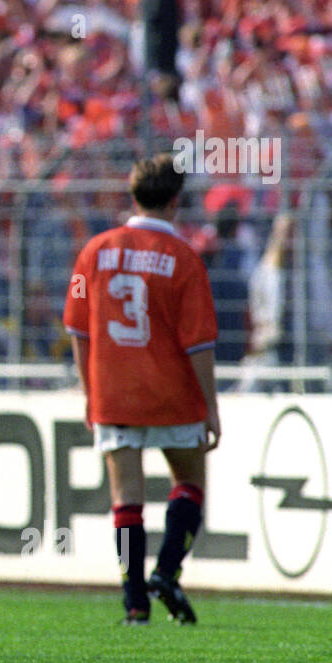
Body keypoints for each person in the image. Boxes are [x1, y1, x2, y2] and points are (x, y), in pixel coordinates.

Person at [62, 153, 220, 625]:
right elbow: (200, 342)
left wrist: (90, 391)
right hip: (173, 393)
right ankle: (167, 573)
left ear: (132, 195)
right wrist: (211, 406)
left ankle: (135, 604)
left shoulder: (94, 250)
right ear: (176, 202)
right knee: (190, 485)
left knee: (125, 500)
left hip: (115, 393)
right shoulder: (185, 258)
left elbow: (77, 328)